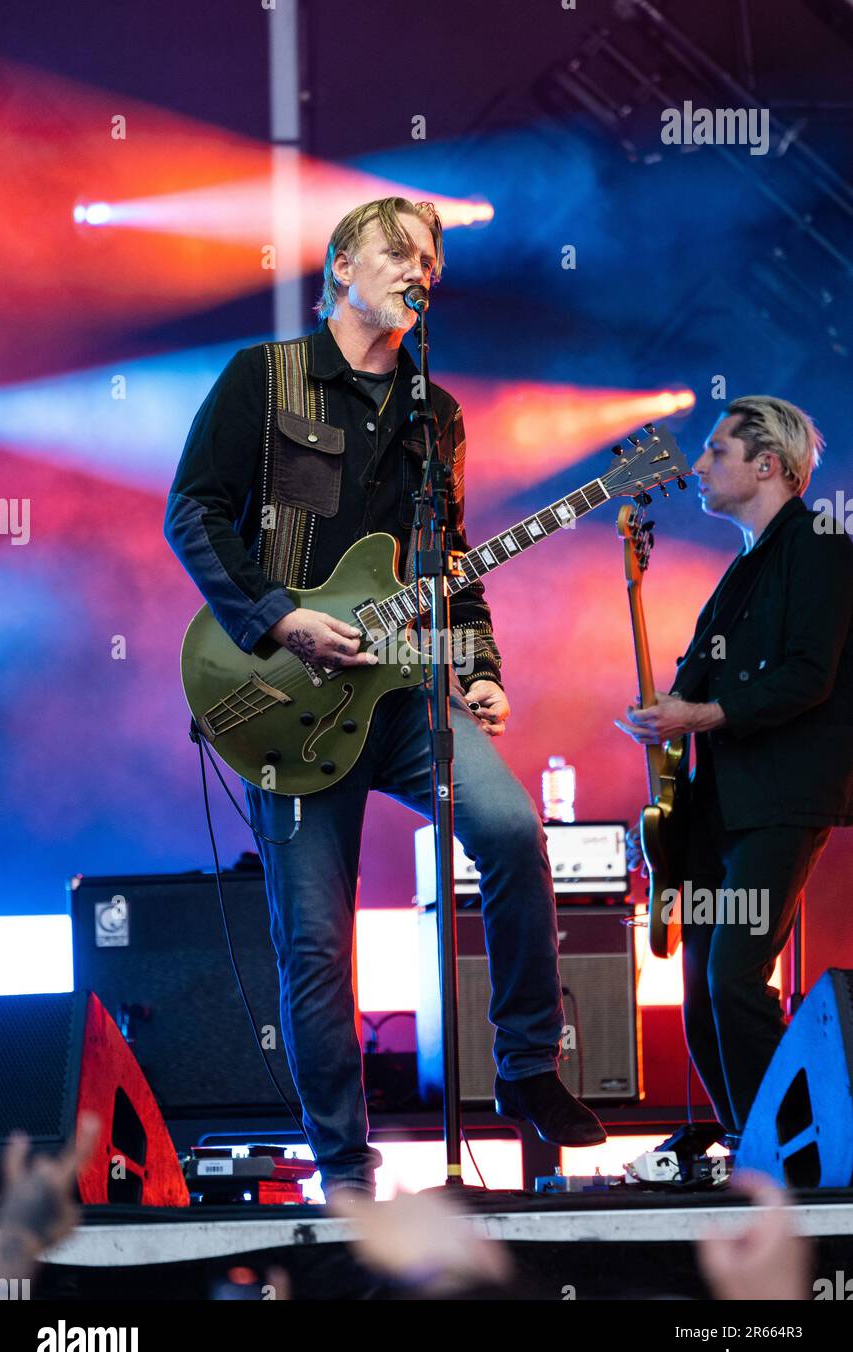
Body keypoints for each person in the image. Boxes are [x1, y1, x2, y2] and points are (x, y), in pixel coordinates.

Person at [165, 196, 605, 1202]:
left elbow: (447, 561)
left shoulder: (432, 412)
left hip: (405, 692)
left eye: (430, 255)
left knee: (507, 829)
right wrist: (279, 618)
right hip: (286, 693)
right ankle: (346, 1174)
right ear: (339, 267)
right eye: (397, 248)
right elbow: (190, 514)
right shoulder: (264, 378)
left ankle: (526, 1064)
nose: (420, 265)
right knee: (317, 944)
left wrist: (481, 663)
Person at [617, 396, 853, 1145]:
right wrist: (670, 710)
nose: (698, 466)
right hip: (718, 805)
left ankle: (795, 1156)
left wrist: (701, 716)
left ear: (767, 465)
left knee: (734, 979)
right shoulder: (744, 567)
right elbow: (705, 681)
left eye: (717, 451)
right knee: (698, 996)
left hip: (779, 798)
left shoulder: (820, 542)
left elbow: (806, 676)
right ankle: (752, 1143)